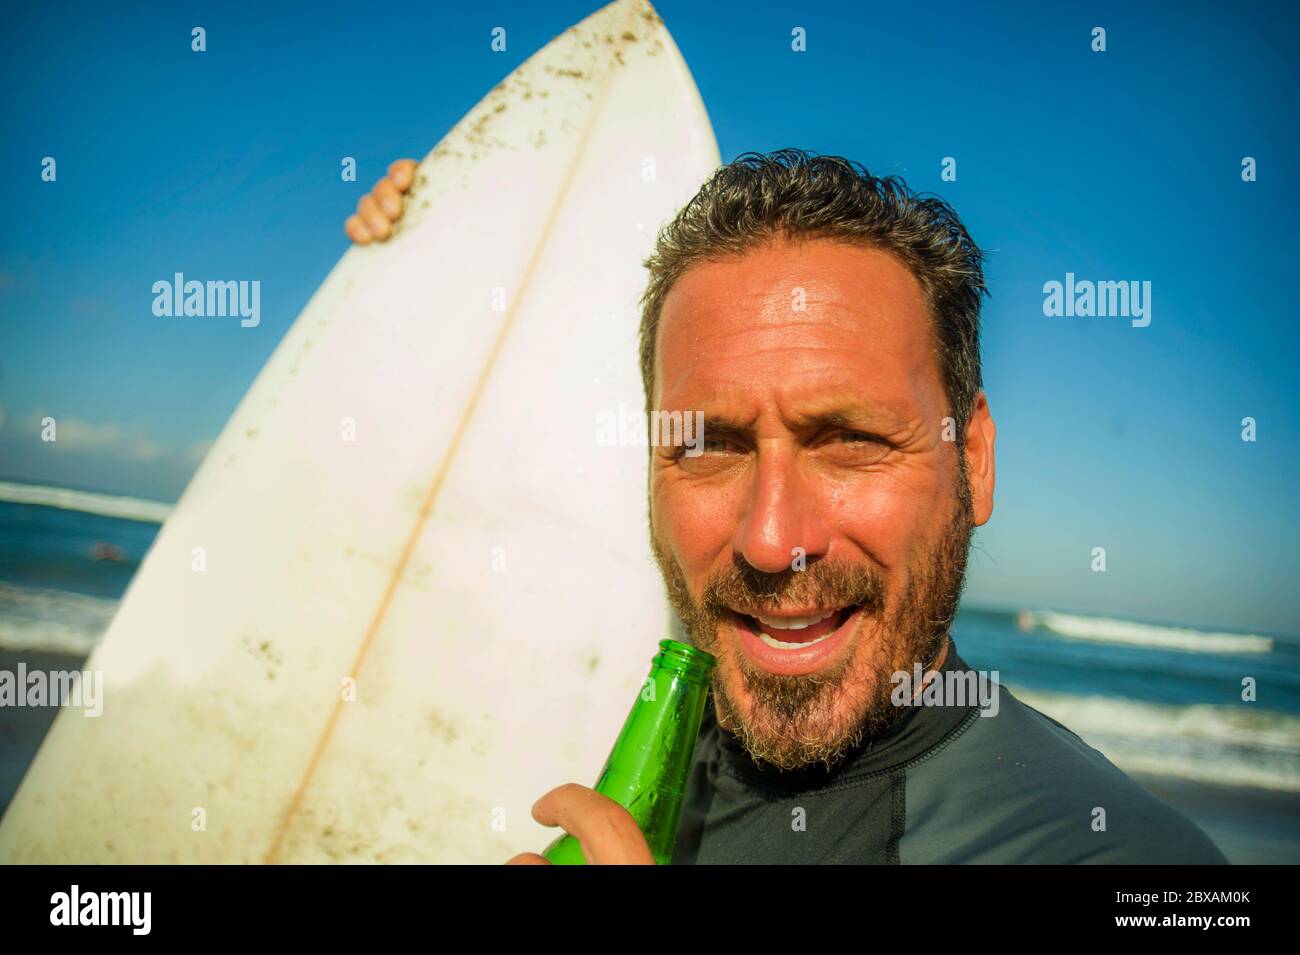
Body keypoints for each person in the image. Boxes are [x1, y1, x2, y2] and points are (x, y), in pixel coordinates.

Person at [348, 149, 1228, 865]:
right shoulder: (621, 717)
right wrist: (434, 257)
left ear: (975, 461)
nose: (772, 541)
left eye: (849, 438)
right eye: (712, 446)